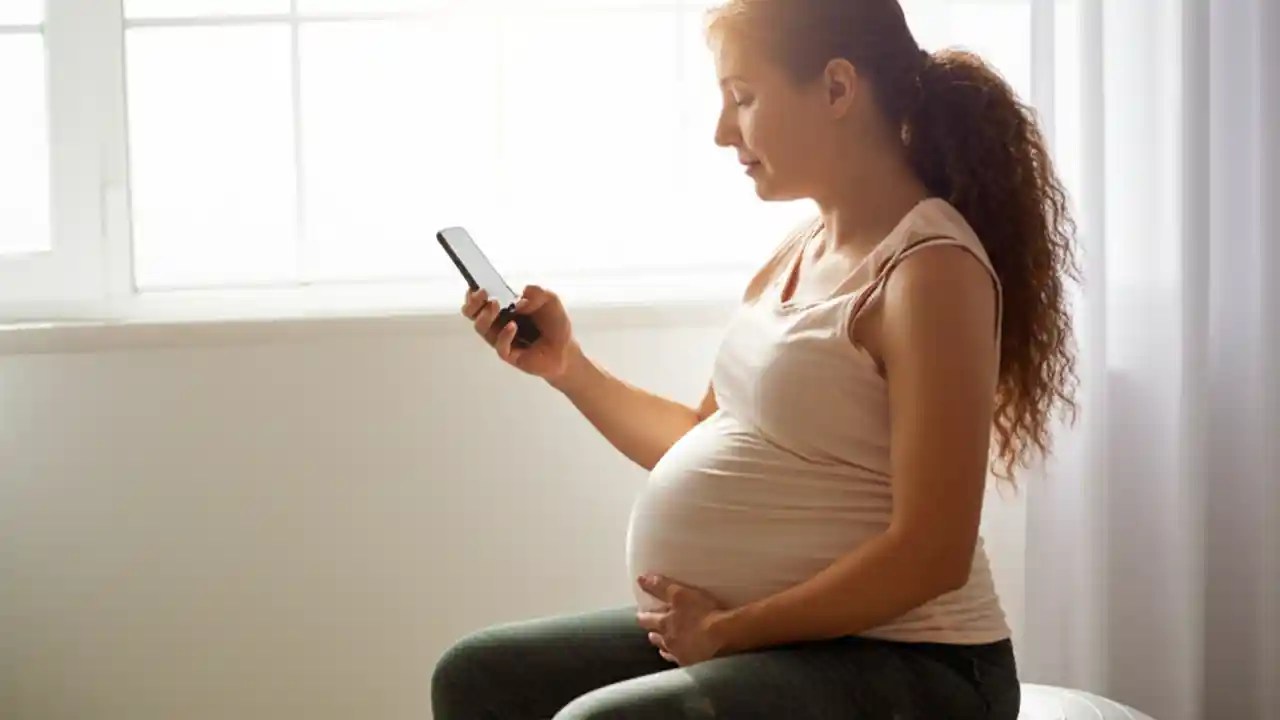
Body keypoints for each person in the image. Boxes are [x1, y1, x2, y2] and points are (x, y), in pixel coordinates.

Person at [432, 0, 1078, 716]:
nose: (720, 132)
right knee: (479, 675)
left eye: (743, 97)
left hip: (919, 663)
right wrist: (568, 370)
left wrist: (729, 631)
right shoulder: (799, 251)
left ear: (837, 89)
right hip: (787, 642)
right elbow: (701, 436)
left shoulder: (931, 272)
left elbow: (932, 551)